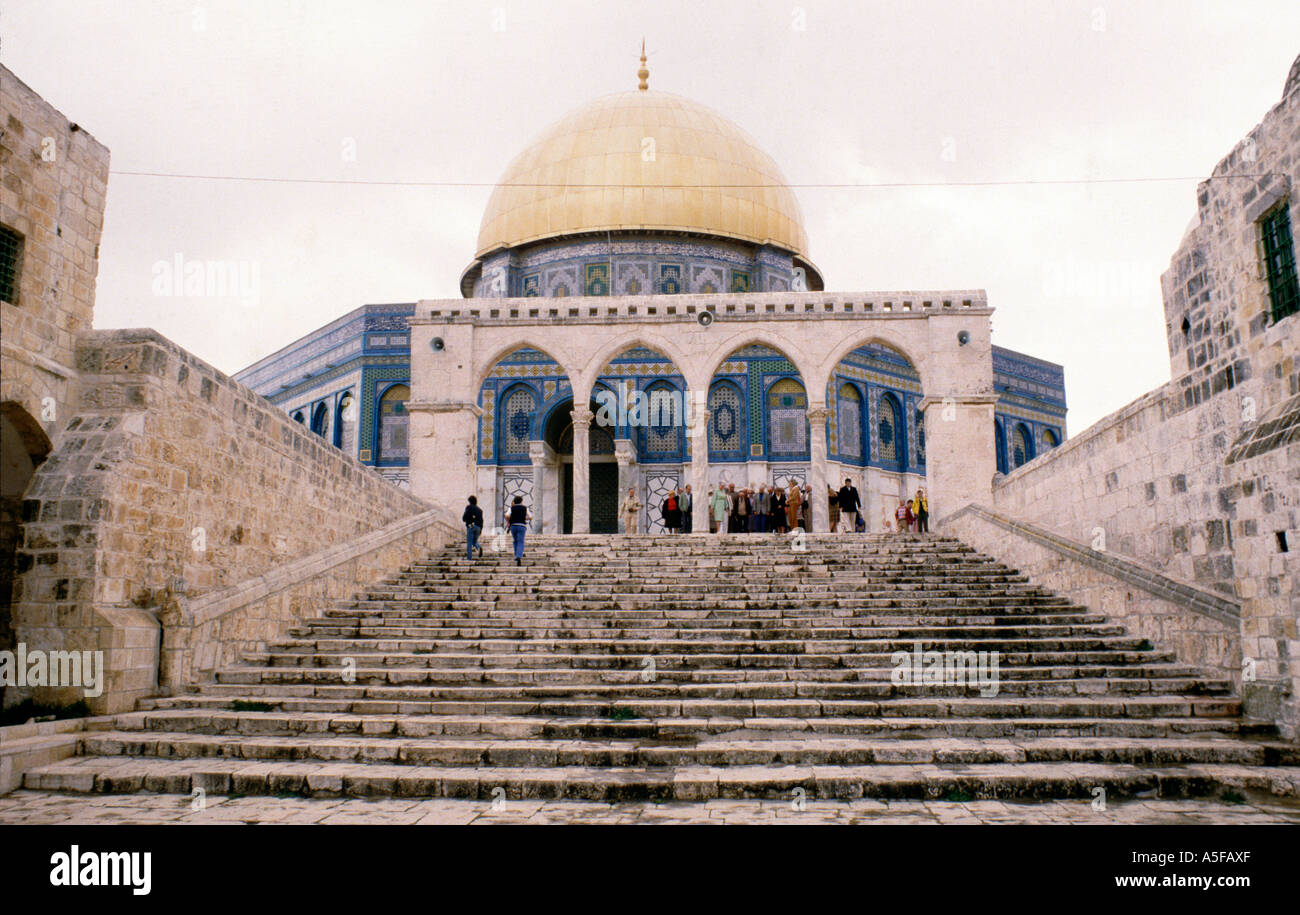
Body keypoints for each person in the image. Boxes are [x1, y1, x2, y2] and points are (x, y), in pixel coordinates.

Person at [506, 495, 531, 564]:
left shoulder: (511, 508)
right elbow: (531, 517)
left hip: (513, 526)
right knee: (520, 541)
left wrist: (509, 520)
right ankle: (519, 556)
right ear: (521, 501)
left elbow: (507, 515)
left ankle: (516, 554)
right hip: (522, 526)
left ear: (514, 501)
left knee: (515, 541)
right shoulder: (525, 508)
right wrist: (524, 518)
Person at [462, 495, 484, 561]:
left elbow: (465, 516)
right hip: (478, 526)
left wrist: (464, 519)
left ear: (470, 501)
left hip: (471, 525)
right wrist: (481, 529)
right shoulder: (480, 510)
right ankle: (479, 547)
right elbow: (482, 520)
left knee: (469, 542)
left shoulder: (469, 507)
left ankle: (469, 558)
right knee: (474, 541)